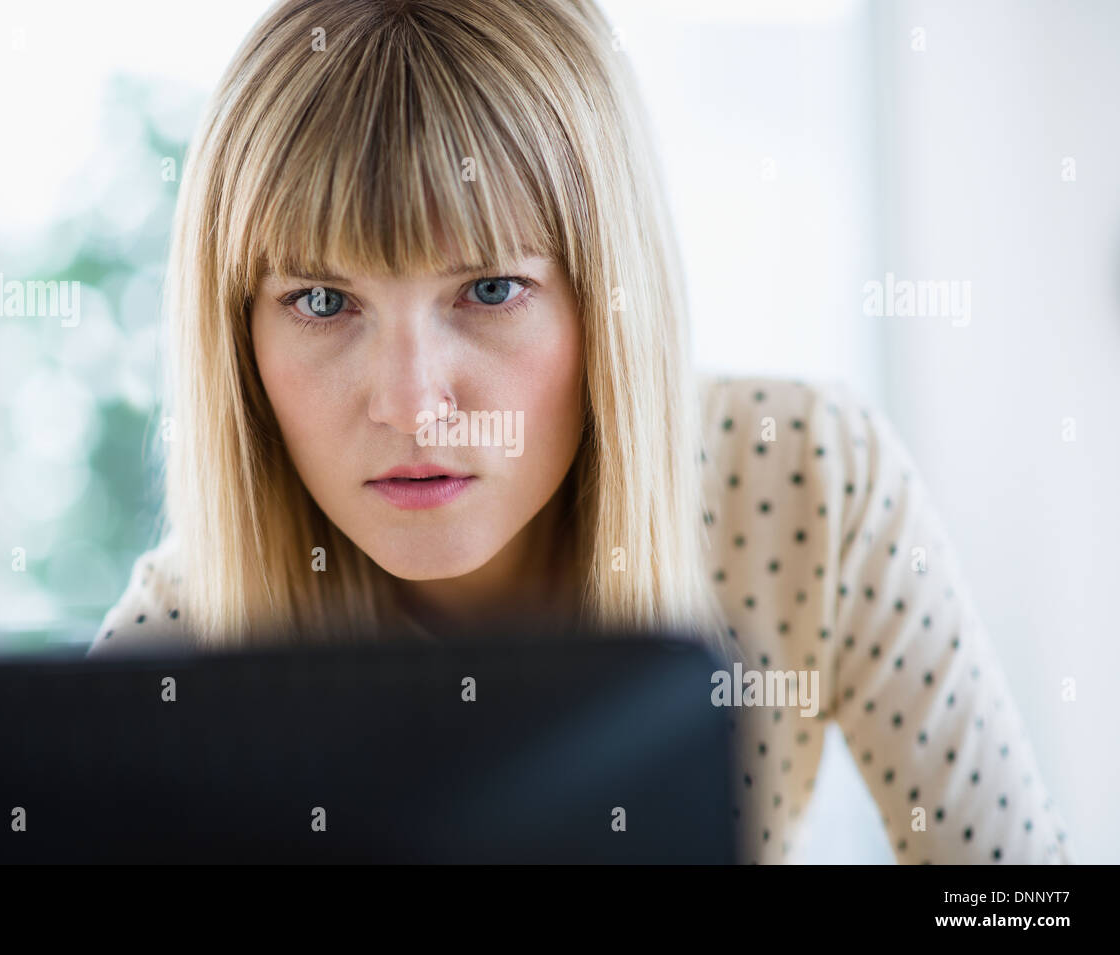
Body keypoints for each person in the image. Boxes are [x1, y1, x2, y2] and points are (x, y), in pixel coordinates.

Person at [88, 0, 1071, 864]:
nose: (412, 403)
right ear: (237, 335)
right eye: (319, 299)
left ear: (610, 301)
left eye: (490, 288)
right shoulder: (176, 644)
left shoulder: (803, 477)